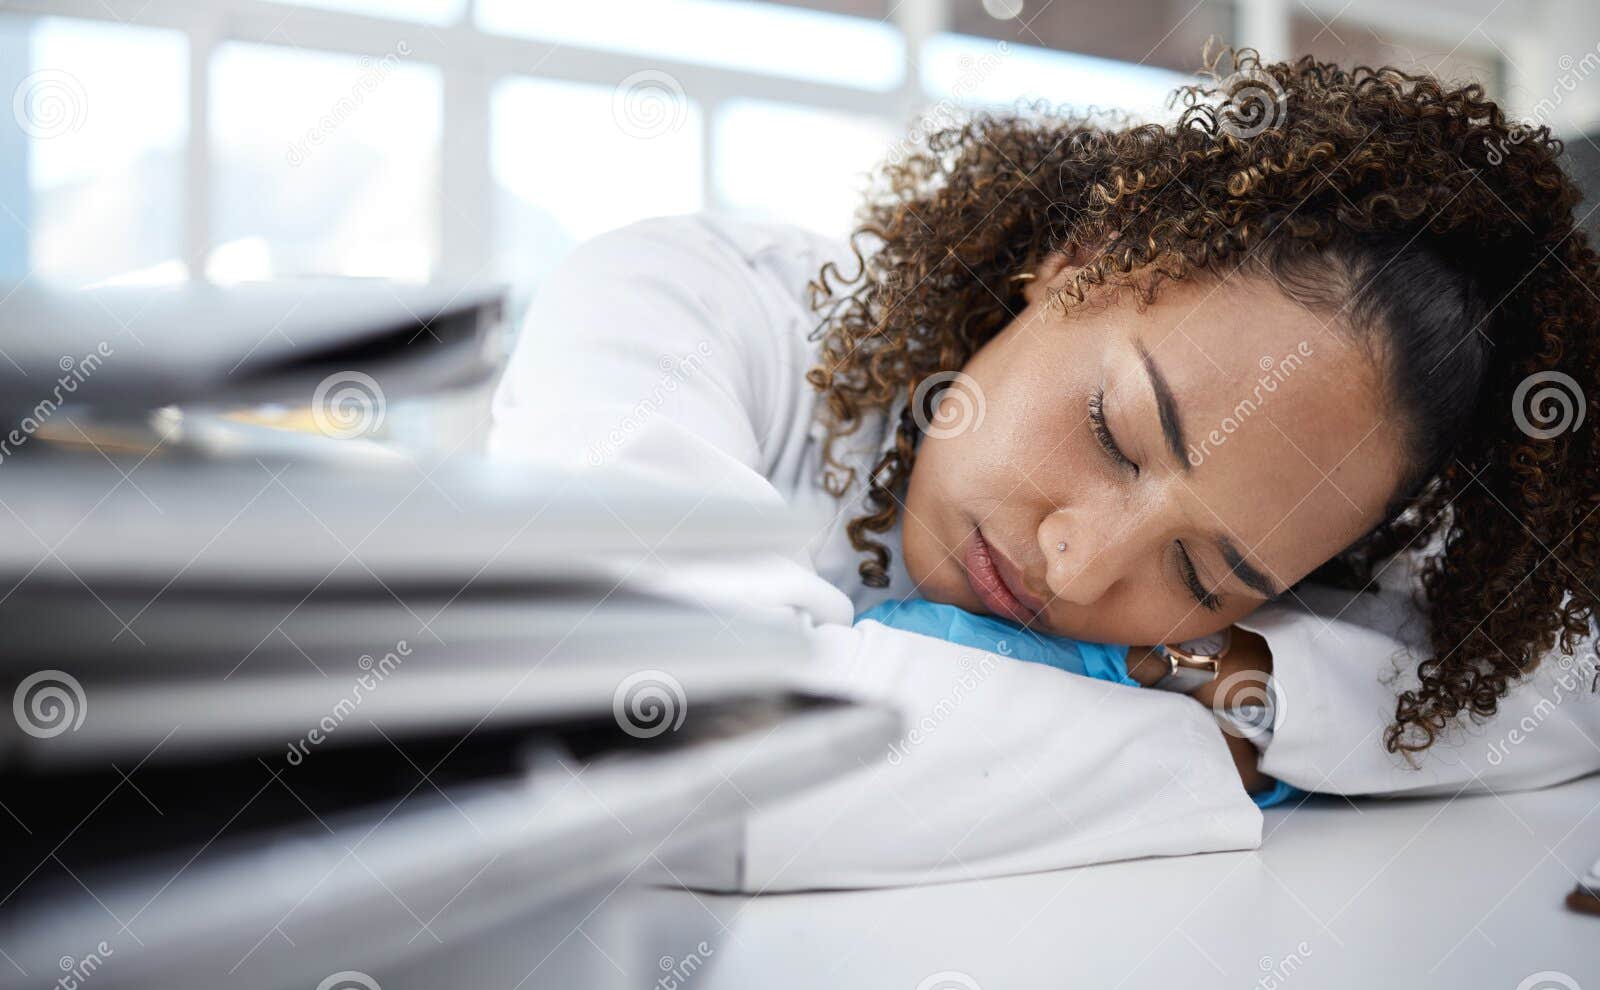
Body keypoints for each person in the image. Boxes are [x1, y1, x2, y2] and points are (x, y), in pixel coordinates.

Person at [488, 50, 1600, 891]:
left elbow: (1574, 689)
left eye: (1203, 575)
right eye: (1117, 432)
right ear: (1079, 259)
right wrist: (1211, 729)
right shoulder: (687, 302)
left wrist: (1242, 668)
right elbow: (655, 753)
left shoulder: (1317, 507)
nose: (1078, 564)